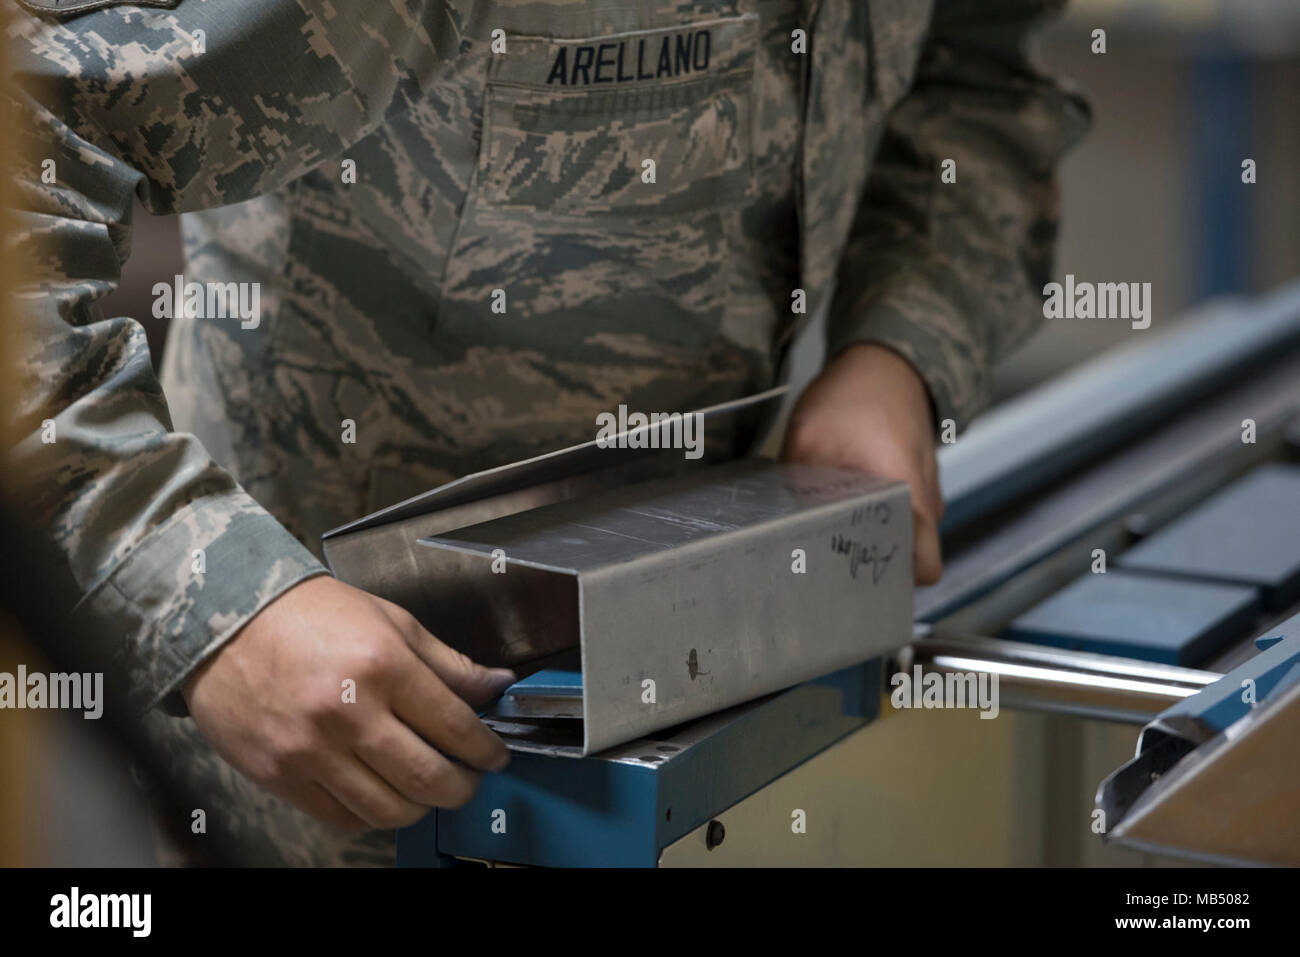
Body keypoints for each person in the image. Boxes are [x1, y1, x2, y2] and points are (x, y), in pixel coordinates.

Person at [6, 0, 1089, 864]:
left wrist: (897, 349)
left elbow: (980, 76)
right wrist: (208, 597)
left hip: (695, 684)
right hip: (339, 741)